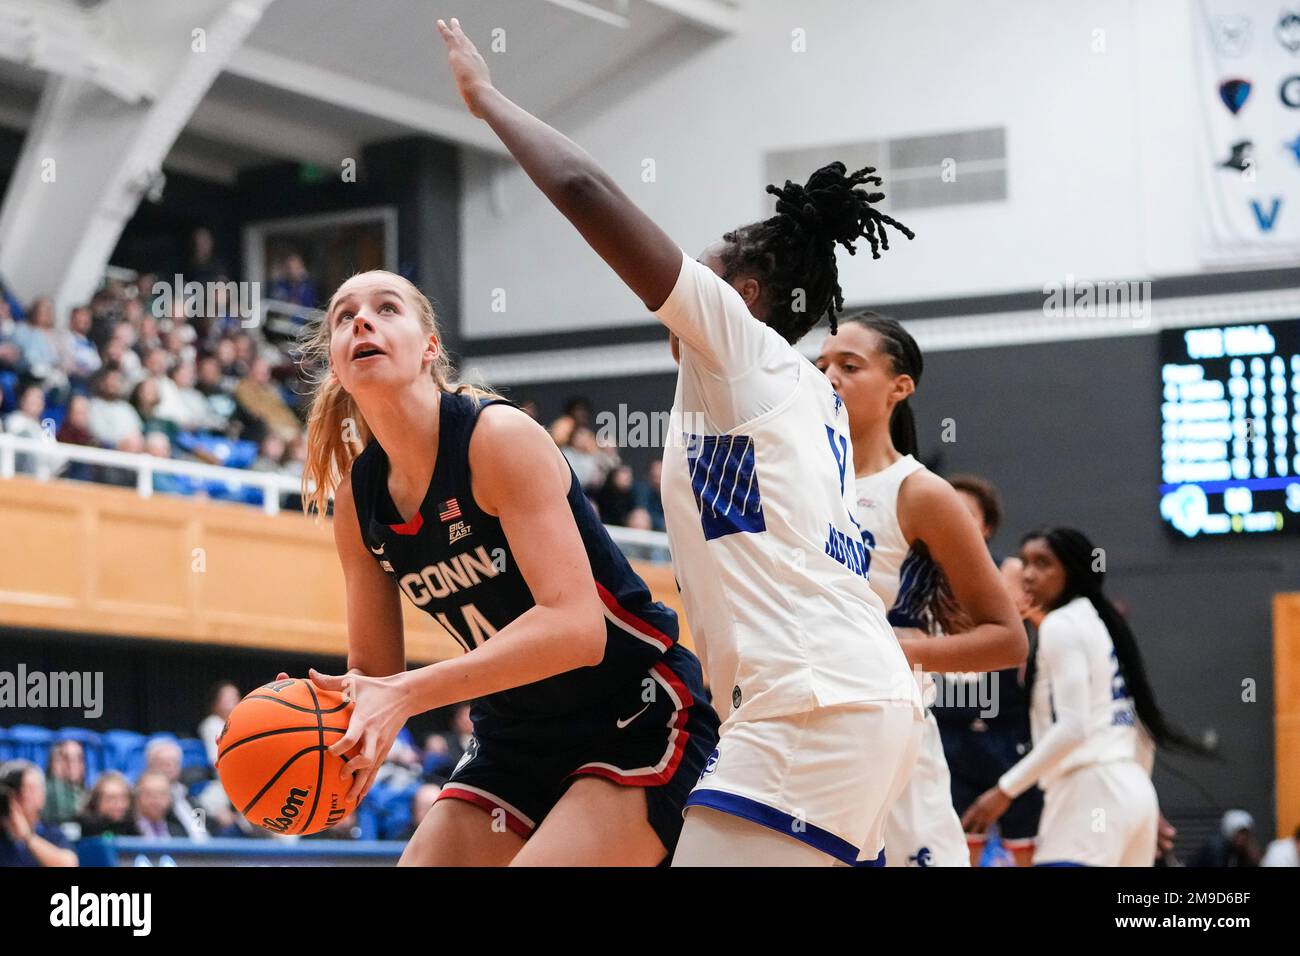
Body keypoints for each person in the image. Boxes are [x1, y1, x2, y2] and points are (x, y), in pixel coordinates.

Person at [438, 18, 921, 867]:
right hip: (850, 702)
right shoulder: (806, 398)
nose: (681, 279)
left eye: (704, 265)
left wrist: (490, 102)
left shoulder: (740, 349)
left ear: (744, 289)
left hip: (805, 708)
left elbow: (589, 189)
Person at [295, 267, 718, 866]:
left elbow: (576, 629)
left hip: (634, 706)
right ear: (336, 362)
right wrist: (323, 748)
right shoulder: (357, 503)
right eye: (344, 315)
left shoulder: (496, 438)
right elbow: (375, 677)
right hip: (516, 733)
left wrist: (407, 694)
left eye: (387, 308)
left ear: (430, 349)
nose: (361, 319)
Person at [816, 316, 1025, 868]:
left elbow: (1008, 639)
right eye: (820, 366)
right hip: (807, 735)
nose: (828, 377)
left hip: (893, 738)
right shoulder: (796, 484)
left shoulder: (918, 491)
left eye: (849, 366)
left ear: (899, 386)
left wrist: (889, 648)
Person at [962, 527, 1206, 866]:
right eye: (1025, 563)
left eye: (1043, 564)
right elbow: (1142, 726)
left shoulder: (1061, 625)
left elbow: (1073, 727)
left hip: (1089, 795)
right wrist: (1134, 793)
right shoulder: (1100, 622)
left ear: (1072, 570)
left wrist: (1004, 791)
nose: (1029, 575)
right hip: (1133, 790)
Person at [0, 760, 78, 867]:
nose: (23, 795)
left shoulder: (51, 833)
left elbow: (68, 864)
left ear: (42, 796)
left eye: (29, 789)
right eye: (16, 789)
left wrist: (28, 837)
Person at [1191, 809, 1261, 867]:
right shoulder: (1216, 848)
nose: (1243, 838)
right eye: (1240, 833)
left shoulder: (1239, 849)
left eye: (1246, 834)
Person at [78, 771, 136, 838]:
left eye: (124, 798)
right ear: (96, 801)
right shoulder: (82, 828)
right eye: (111, 798)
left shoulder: (133, 827)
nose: (119, 804)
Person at [42, 739, 87, 825]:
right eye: (66, 758)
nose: (73, 764)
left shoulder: (85, 792)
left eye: (79, 758)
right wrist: (56, 774)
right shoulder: (46, 791)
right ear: (53, 762)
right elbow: (63, 812)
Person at [199, 681, 240, 766]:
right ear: (216, 701)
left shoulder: (241, 723)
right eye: (226, 697)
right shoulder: (211, 723)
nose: (231, 700)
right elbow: (215, 759)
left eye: (234, 696)